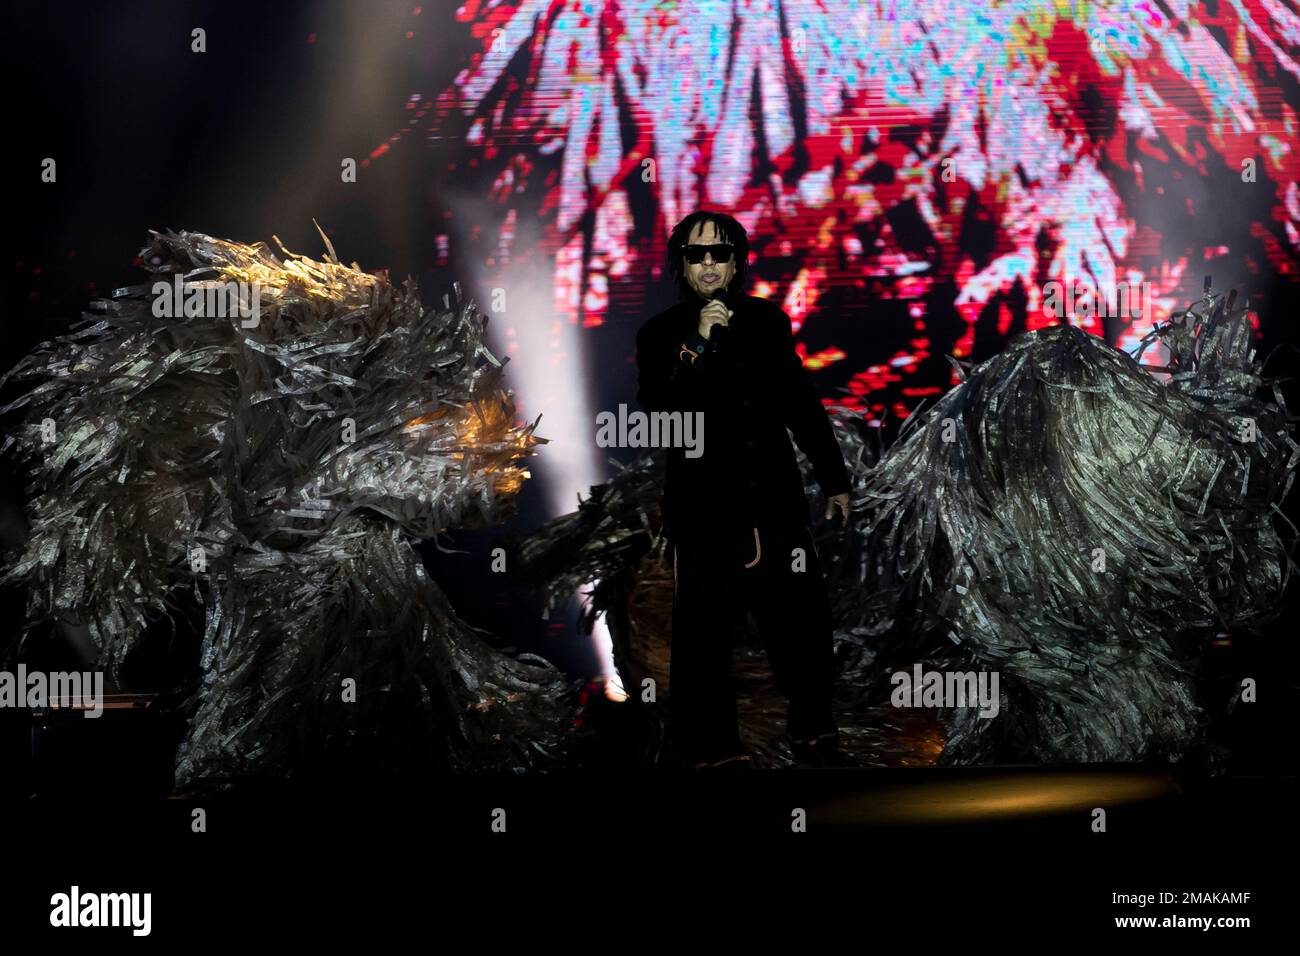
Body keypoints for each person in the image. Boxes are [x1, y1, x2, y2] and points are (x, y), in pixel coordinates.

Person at [635, 211, 852, 770]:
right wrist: (699, 344)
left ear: (737, 261)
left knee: (801, 629)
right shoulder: (661, 334)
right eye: (697, 254)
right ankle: (714, 751)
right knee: (705, 641)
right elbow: (660, 412)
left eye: (720, 253)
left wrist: (833, 478)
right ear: (680, 263)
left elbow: (798, 403)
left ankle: (814, 735)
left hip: (773, 504)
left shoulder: (766, 322)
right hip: (705, 514)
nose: (709, 264)